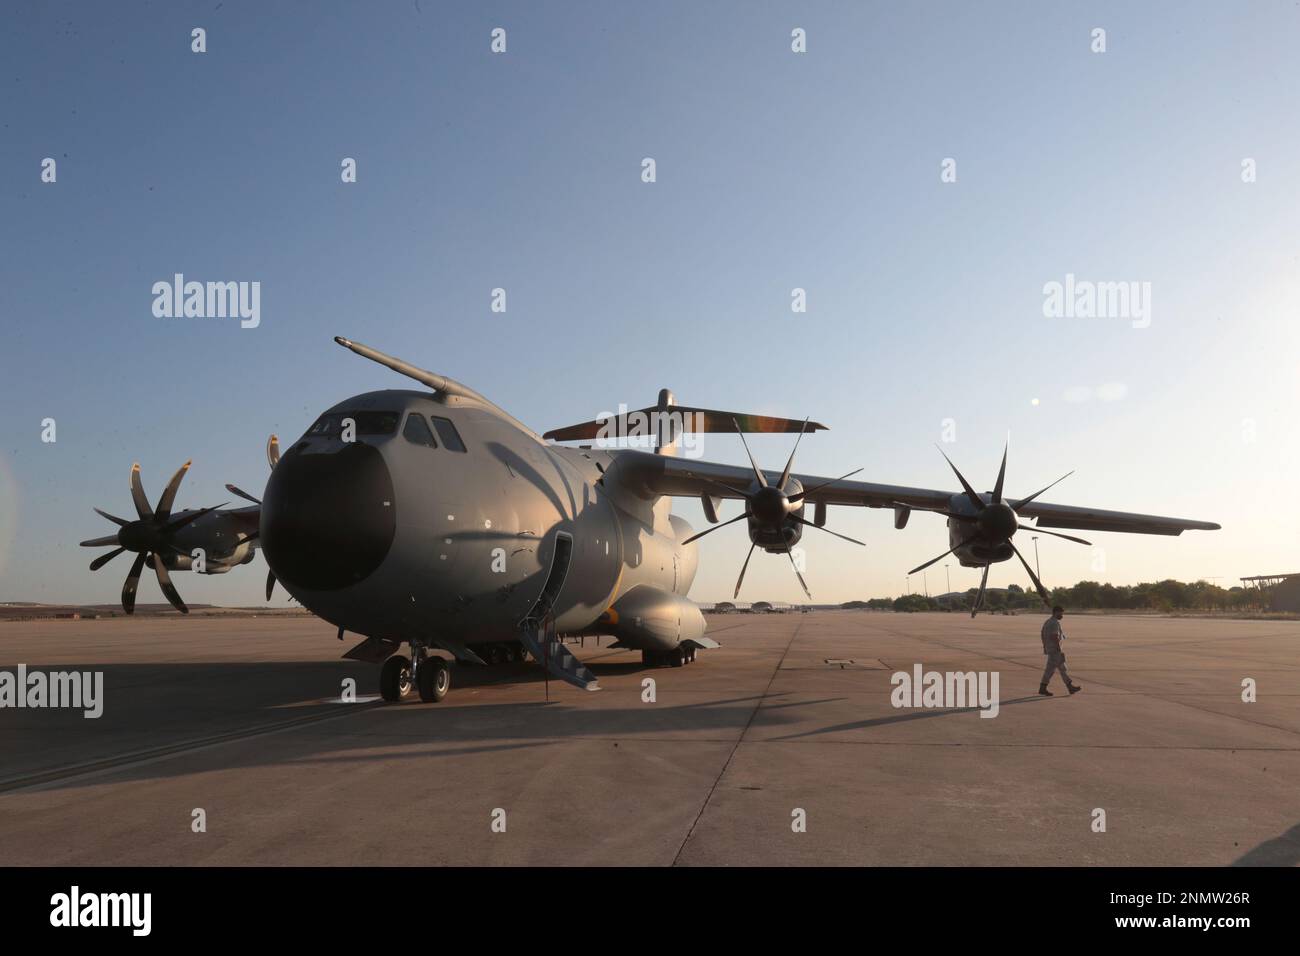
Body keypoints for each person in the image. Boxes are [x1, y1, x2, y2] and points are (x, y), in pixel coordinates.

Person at [1040, 605, 1081, 696]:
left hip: (1051, 649)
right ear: (1056, 612)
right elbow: (1054, 636)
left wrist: (1045, 646)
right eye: (1061, 613)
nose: (1062, 615)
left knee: (1056, 669)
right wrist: (1058, 649)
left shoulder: (1048, 622)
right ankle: (1069, 687)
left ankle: (1044, 688)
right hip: (1055, 650)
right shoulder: (1054, 623)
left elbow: (1042, 634)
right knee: (1057, 669)